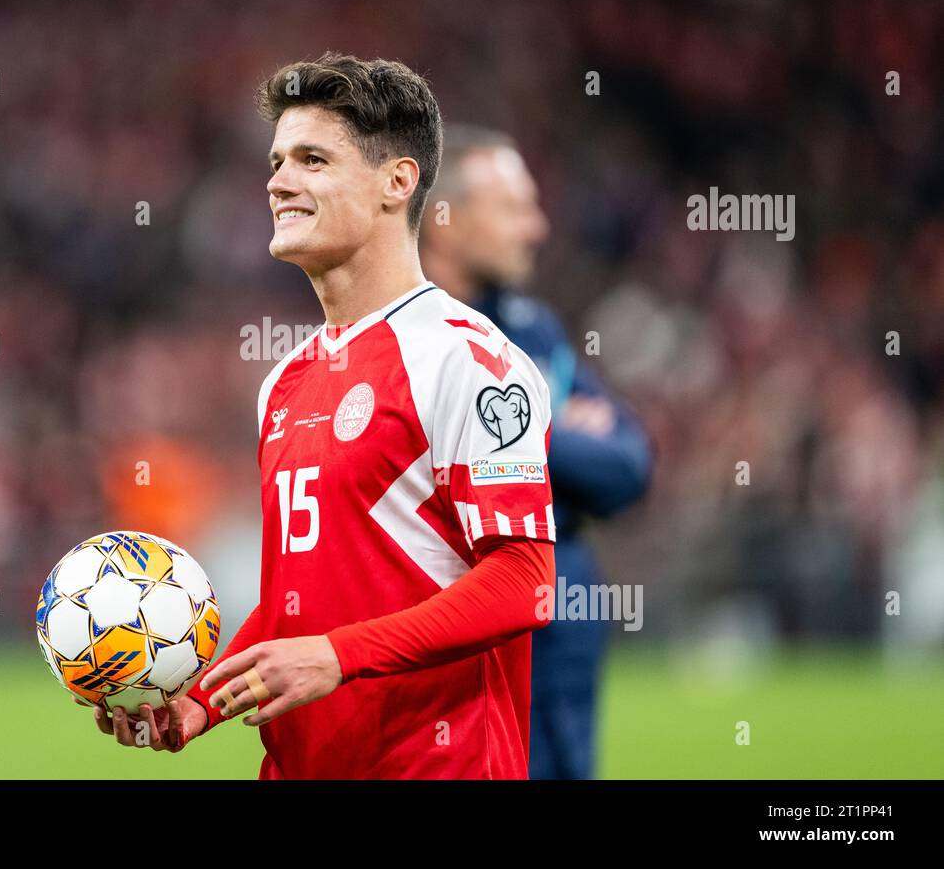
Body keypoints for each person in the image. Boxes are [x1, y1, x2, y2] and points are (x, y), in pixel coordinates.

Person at [93, 53, 558, 778]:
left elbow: (525, 580)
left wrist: (340, 656)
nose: (279, 182)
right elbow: (297, 603)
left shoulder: (467, 360)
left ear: (397, 182)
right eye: (277, 162)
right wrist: (200, 704)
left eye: (312, 160)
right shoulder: (284, 383)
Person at [419, 124, 653, 778]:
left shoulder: (532, 327)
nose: (537, 227)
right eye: (512, 208)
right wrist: (557, 430)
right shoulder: (417, 336)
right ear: (443, 221)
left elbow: (628, 466)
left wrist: (520, 435)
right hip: (468, 612)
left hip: (563, 610)